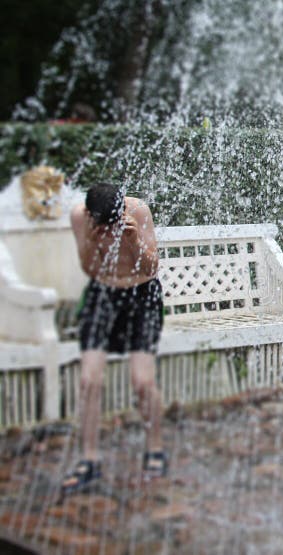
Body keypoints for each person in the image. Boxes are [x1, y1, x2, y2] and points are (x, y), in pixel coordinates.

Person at [62, 183, 167, 494]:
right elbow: (88, 268)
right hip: (102, 295)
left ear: (122, 210)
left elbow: (151, 267)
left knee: (143, 383)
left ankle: (155, 447)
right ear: (92, 217)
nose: (111, 230)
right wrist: (93, 244)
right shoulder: (79, 217)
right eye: (103, 225)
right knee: (89, 380)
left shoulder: (138, 211)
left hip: (141, 295)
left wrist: (133, 240)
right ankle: (89, 458)